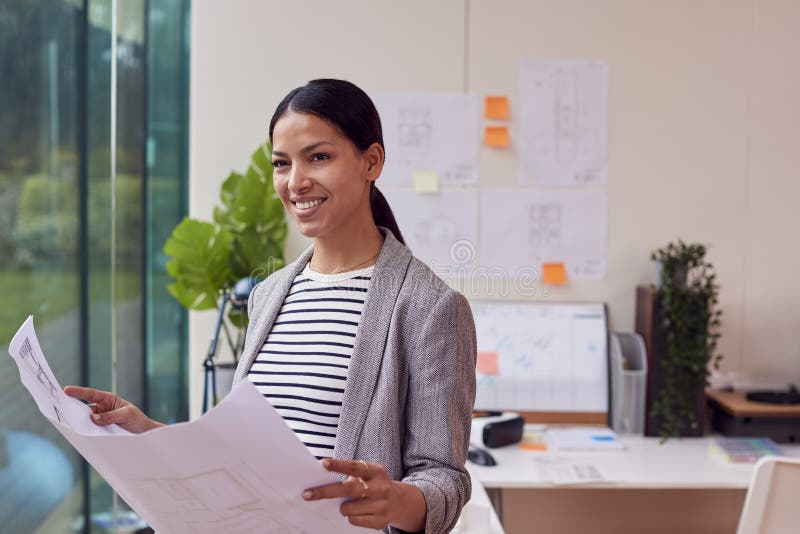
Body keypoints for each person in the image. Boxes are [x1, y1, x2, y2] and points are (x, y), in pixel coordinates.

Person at [65, 78, 477, 533]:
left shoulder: (431, 308)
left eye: (318, 157)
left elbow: (447, 480)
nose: (295, 182)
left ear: (371, 162)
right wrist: (148, 432)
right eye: (282, 164)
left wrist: (396, 499)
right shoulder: (269, 295)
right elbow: (242, 456)